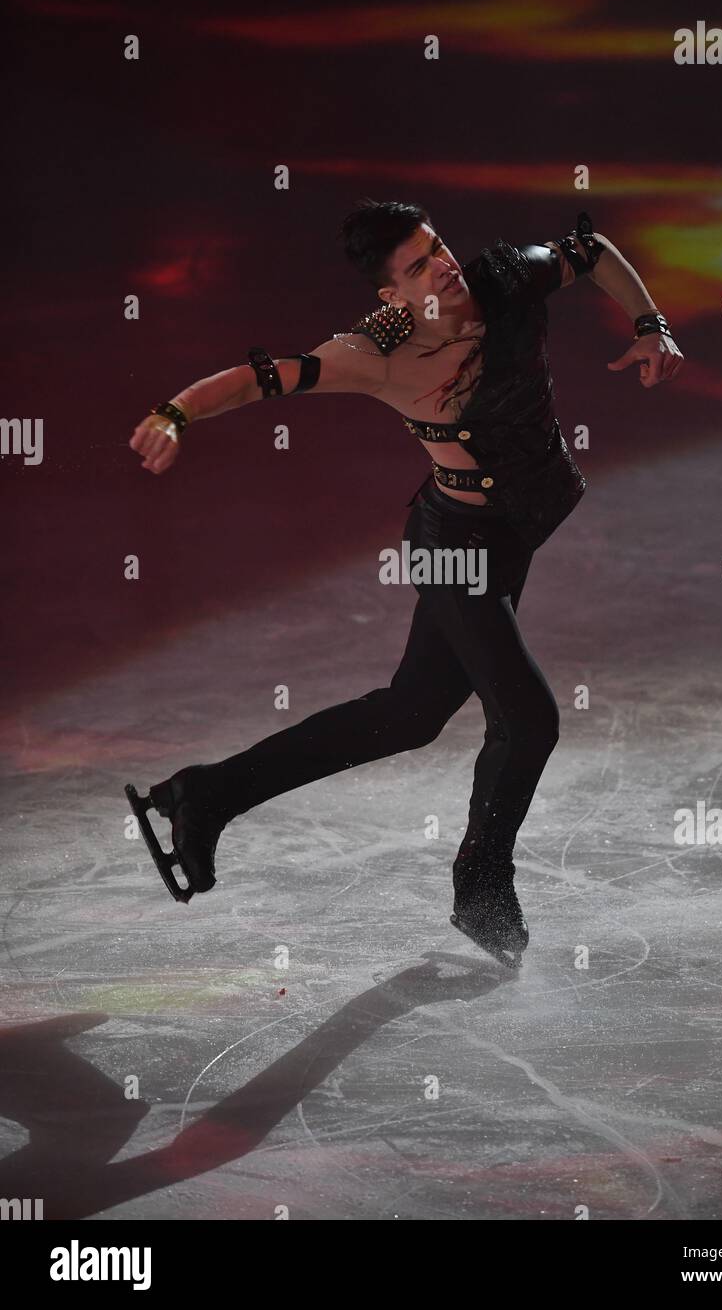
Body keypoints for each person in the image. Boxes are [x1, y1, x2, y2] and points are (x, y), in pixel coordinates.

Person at [126, 198, 684, 967]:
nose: (443, 266)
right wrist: (175, 413)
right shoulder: (375, 350)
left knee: (411, 715)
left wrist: (650, 324)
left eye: (438, 247)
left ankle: (207, 794)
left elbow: (589, 252)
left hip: (512, 534)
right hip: (452, 543)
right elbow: (263, 380)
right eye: (418, 266)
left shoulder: (506, 280)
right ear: (392, 295)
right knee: (529, 720)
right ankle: (480, 880)